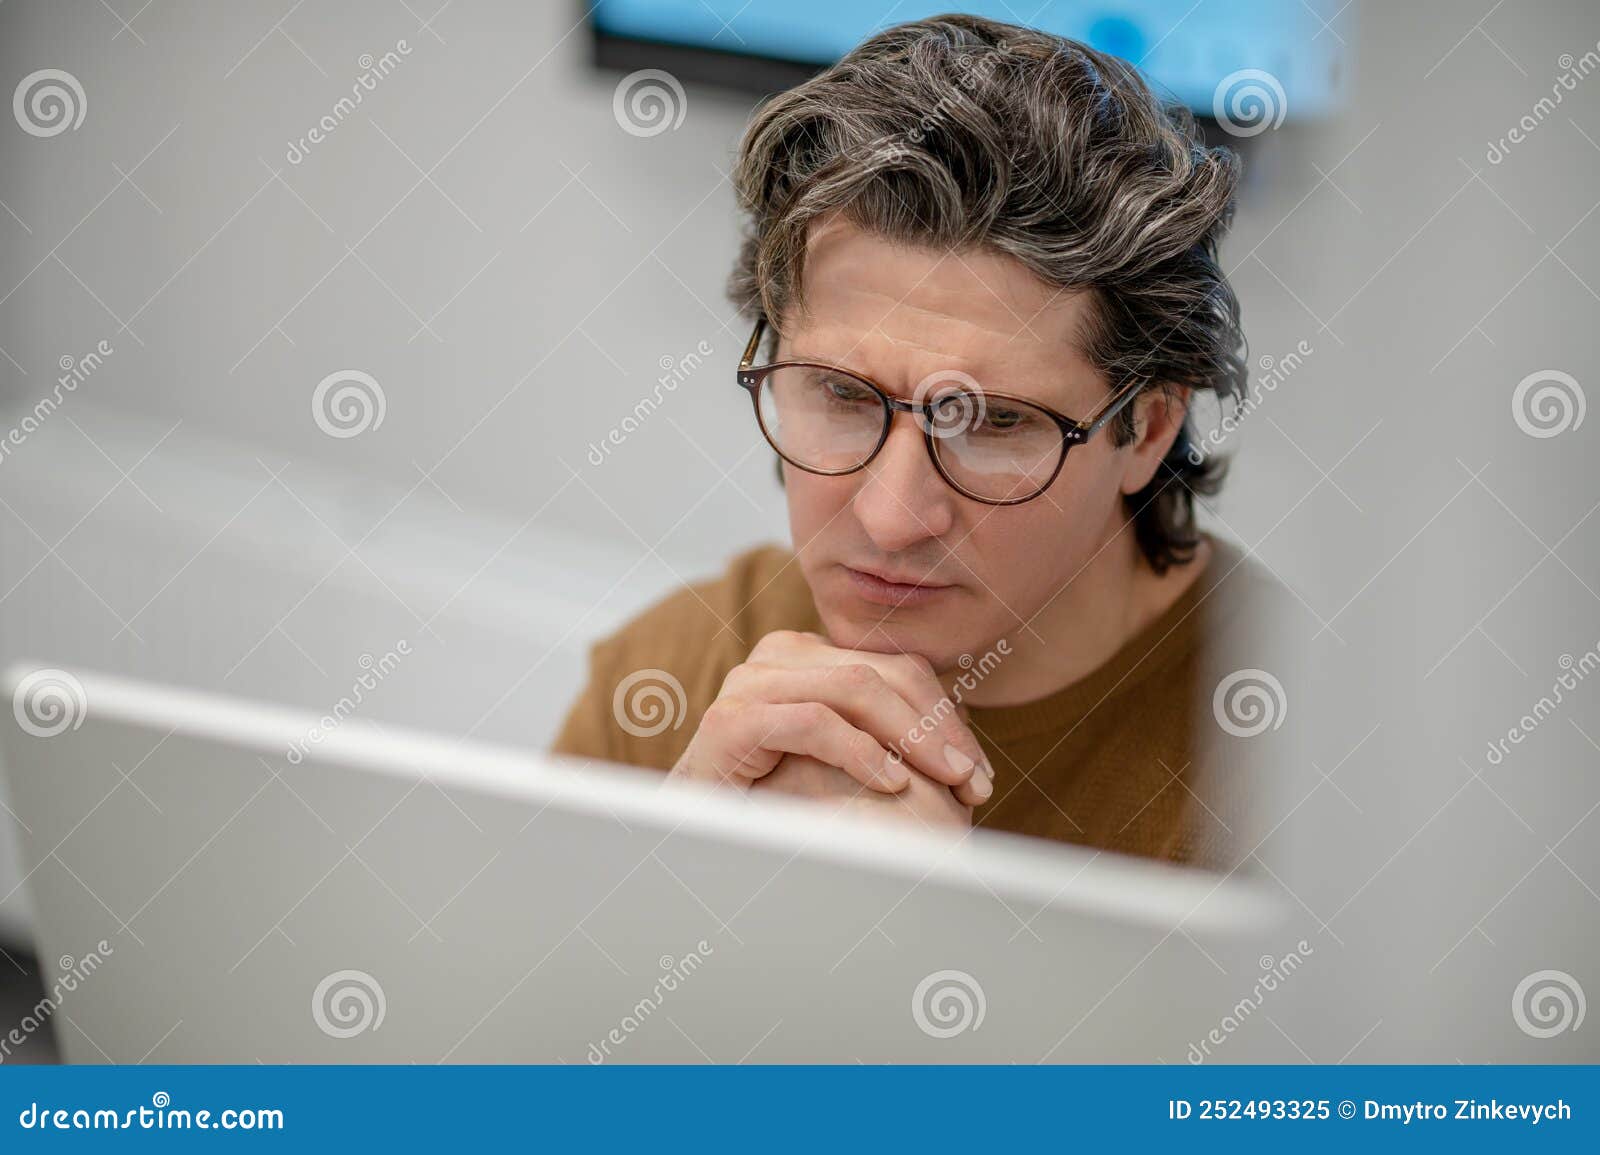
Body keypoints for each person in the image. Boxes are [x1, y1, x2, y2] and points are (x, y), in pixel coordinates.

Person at [554, 13, 1298, 870]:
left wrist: (937, 926)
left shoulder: (1312, 760)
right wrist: (678, 868)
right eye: (841, 394)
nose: (892, 515)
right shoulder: (668, 682)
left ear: (1149, 426)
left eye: (993, 421)